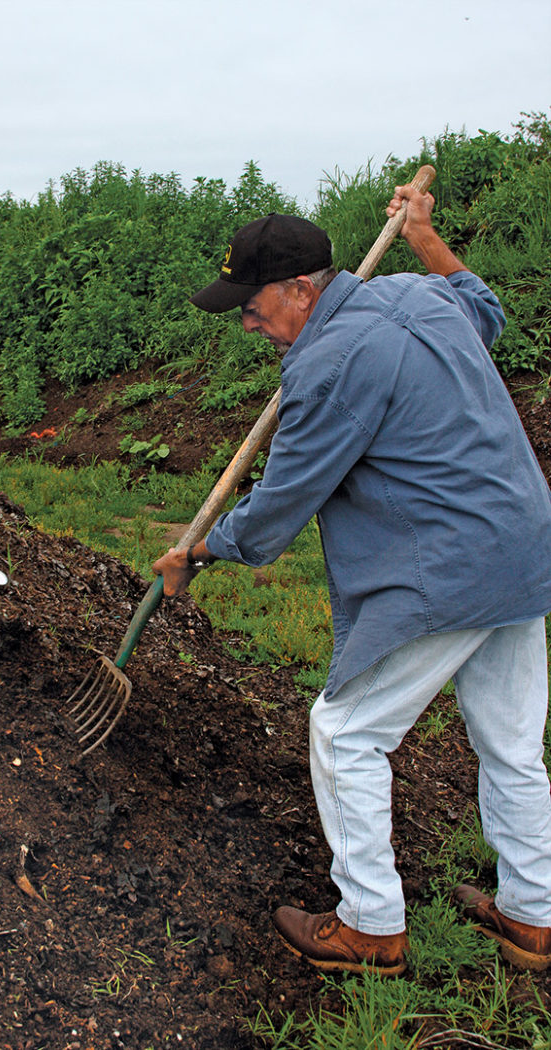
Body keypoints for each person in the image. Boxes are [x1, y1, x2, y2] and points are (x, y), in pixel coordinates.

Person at [152, 182, 551, 975]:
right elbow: (484, 306)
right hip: (523, 546)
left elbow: (280, 508)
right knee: (511, 745)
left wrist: (198, 552)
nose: (246, 322)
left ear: (302, 289)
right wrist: (424, 237)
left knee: (345, 734)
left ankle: (370, 926)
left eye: (252, 305)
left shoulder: (330, 365)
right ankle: (533, 916)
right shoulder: (418, 296)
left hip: (449, 566)